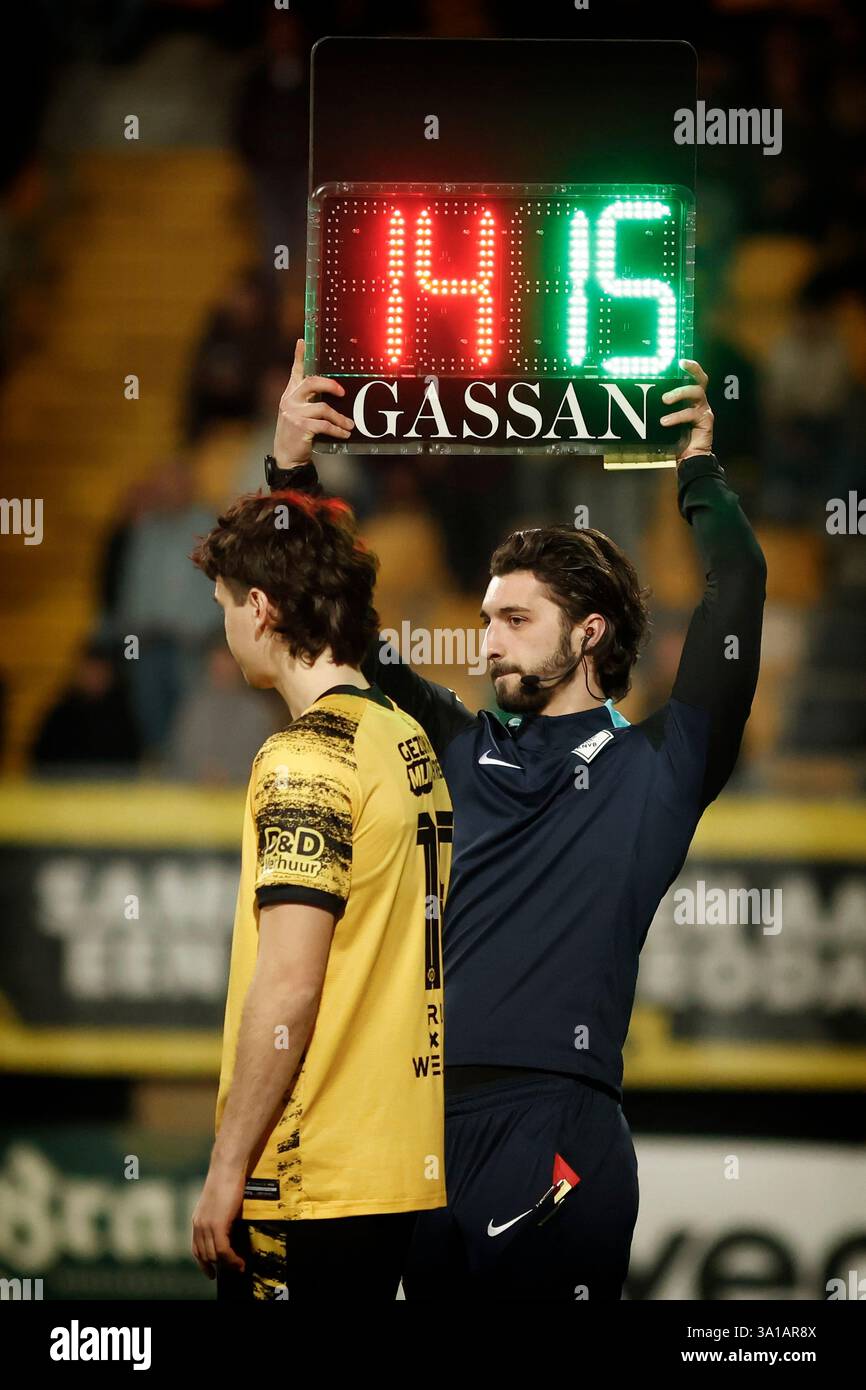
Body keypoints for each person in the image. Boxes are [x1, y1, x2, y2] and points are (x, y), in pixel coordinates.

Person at [271, 342, 766, 1301]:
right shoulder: (451, 741)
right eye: (488, 617)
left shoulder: (661, 767)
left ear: (590, 634)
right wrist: (292, 468)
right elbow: (329, 620)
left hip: (558, 1130)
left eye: (518, 620)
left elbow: (736, 586)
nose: (489, 639)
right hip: (411, 1129)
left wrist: (698, 466)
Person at [189, 482, 452, 1300]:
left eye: (228, 605)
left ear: (262, 608)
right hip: (398, 1169)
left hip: (308, 1175)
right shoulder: (403, 738)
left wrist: (229, 1166)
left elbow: (292, 982)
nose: (227, 628)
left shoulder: (304, 758)